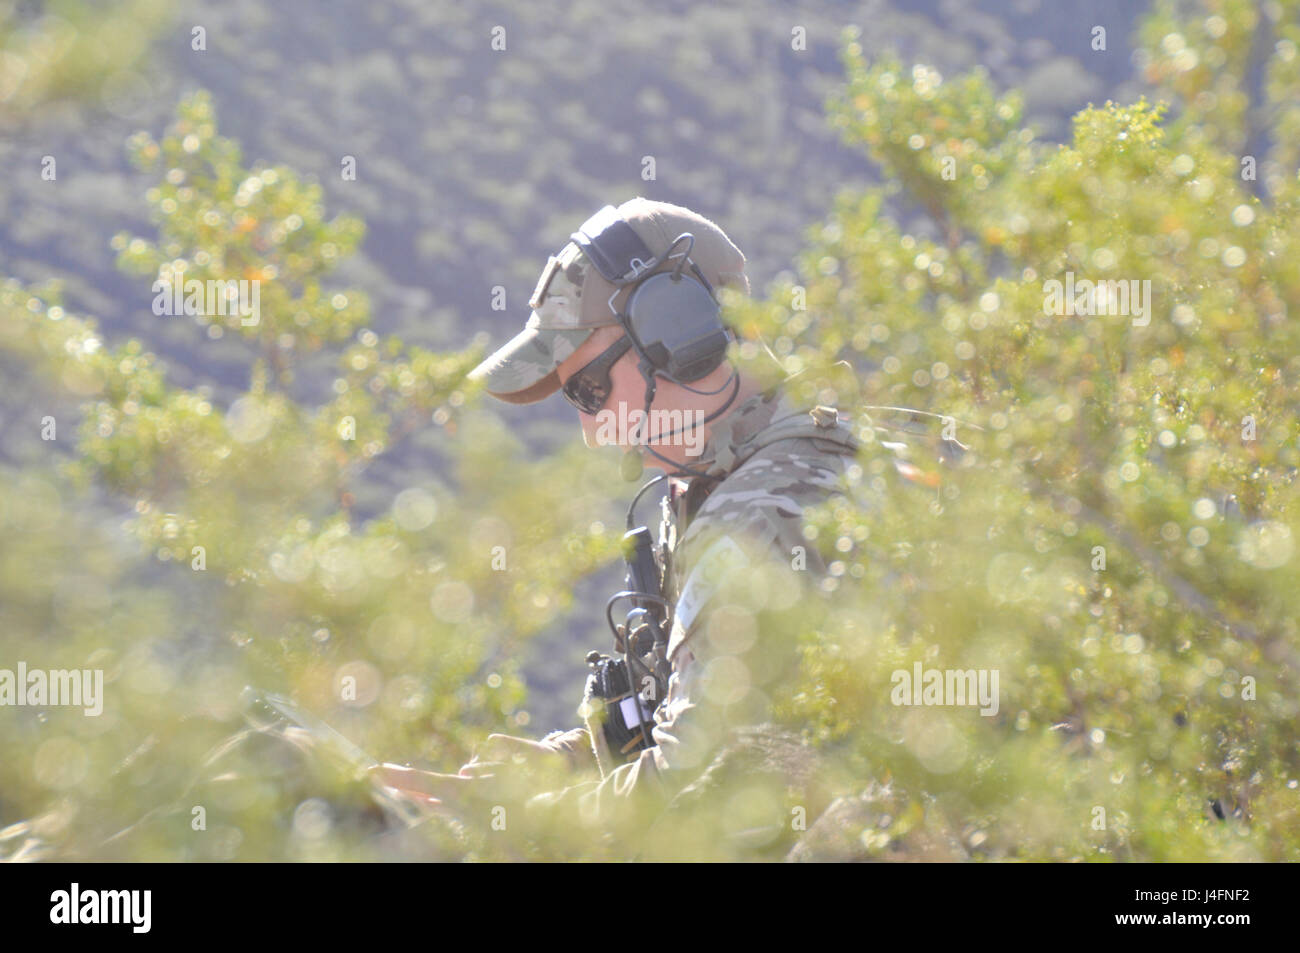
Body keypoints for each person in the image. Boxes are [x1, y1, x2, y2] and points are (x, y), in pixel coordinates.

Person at [372, 197, 866, 858]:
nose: (589, 426)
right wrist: (567, 765)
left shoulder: (763, 514)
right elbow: (688, 715)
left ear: (680, 332)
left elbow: (700, 790)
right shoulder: (719, 477)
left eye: (590, 389)